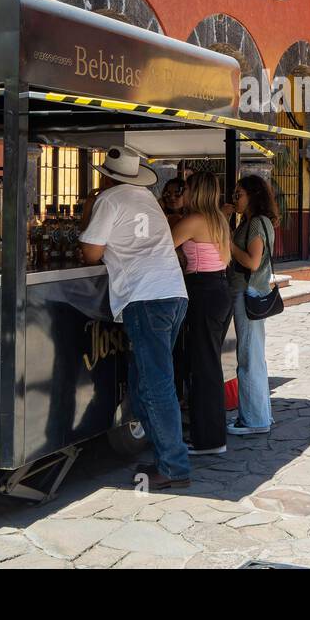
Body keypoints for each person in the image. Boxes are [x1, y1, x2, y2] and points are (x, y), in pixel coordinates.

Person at [79, 146, 191, 489]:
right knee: (145, 383)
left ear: (106, 175)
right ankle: (165, 453)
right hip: (173, 293)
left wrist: (89, 206)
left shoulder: (109, 201)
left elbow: (90, 254)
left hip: (145, 299)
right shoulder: (147, 199)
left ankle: (174, 467)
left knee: (155, 386)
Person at [170, 172, 232, 457]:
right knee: (208, 366)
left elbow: (161, 246)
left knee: (203, 368)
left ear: (195, 192)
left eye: (186, 189)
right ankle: (210, 434)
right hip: (218, 288)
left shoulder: (194, 220)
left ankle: (208, 439)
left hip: (203, 290)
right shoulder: (218, 218)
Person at [227, 175, 278, 436]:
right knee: (253, 355)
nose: (235, 199)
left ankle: (254, 420)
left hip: (248, 292)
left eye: (239, 195)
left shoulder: (257, 223)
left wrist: (227, 242)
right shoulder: (251, 222)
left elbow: (252, 262)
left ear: (253, 196)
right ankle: (259, 414)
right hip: (250, 292)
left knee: (248, 357)